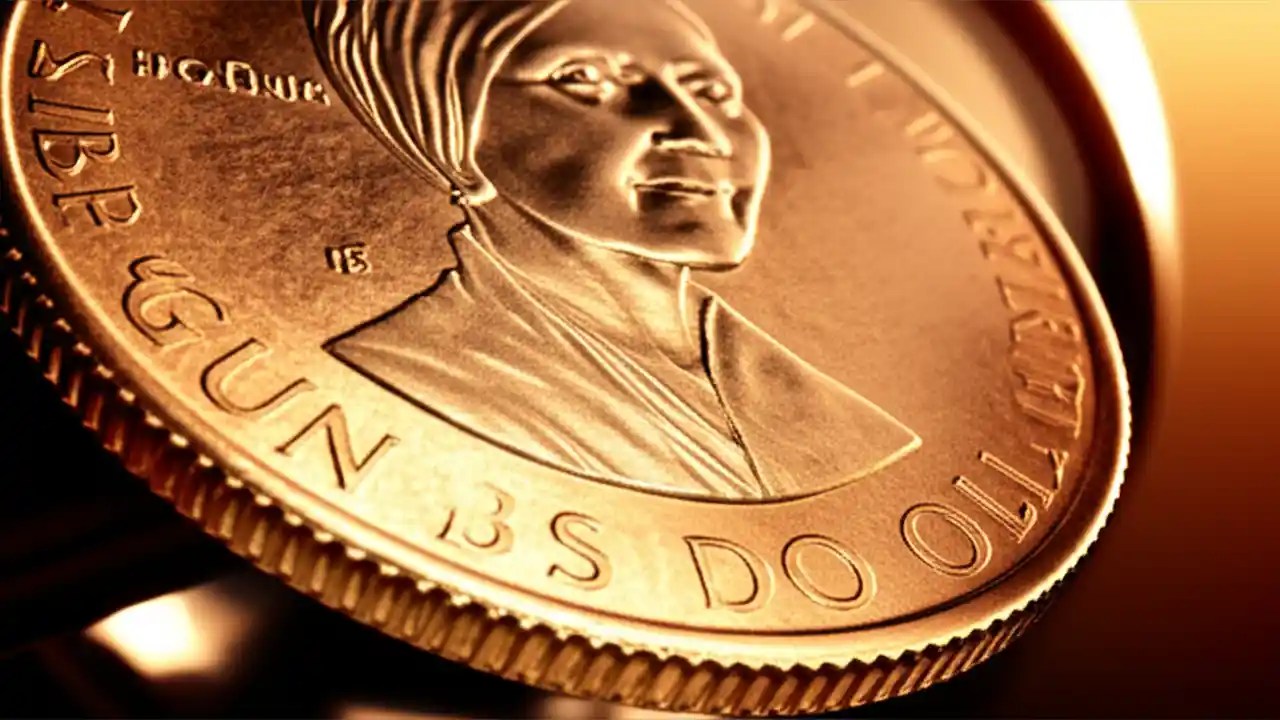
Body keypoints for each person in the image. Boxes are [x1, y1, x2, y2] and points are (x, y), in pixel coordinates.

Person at [308, 0, 919, 501]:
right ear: (441, 123)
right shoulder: (416, 376)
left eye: (710, 90)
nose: (702, 134)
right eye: (584, 80)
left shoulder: (805, 398)